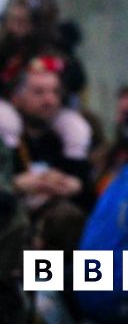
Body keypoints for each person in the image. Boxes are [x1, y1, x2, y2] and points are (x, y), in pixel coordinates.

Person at [8, 57, 92, 211]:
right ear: (16, 99)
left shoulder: (67, 139)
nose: (49, 100)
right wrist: (14, 185)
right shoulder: (6, 139)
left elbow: (90, 197)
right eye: (39, 92)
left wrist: (77, 186)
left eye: (55, 92)